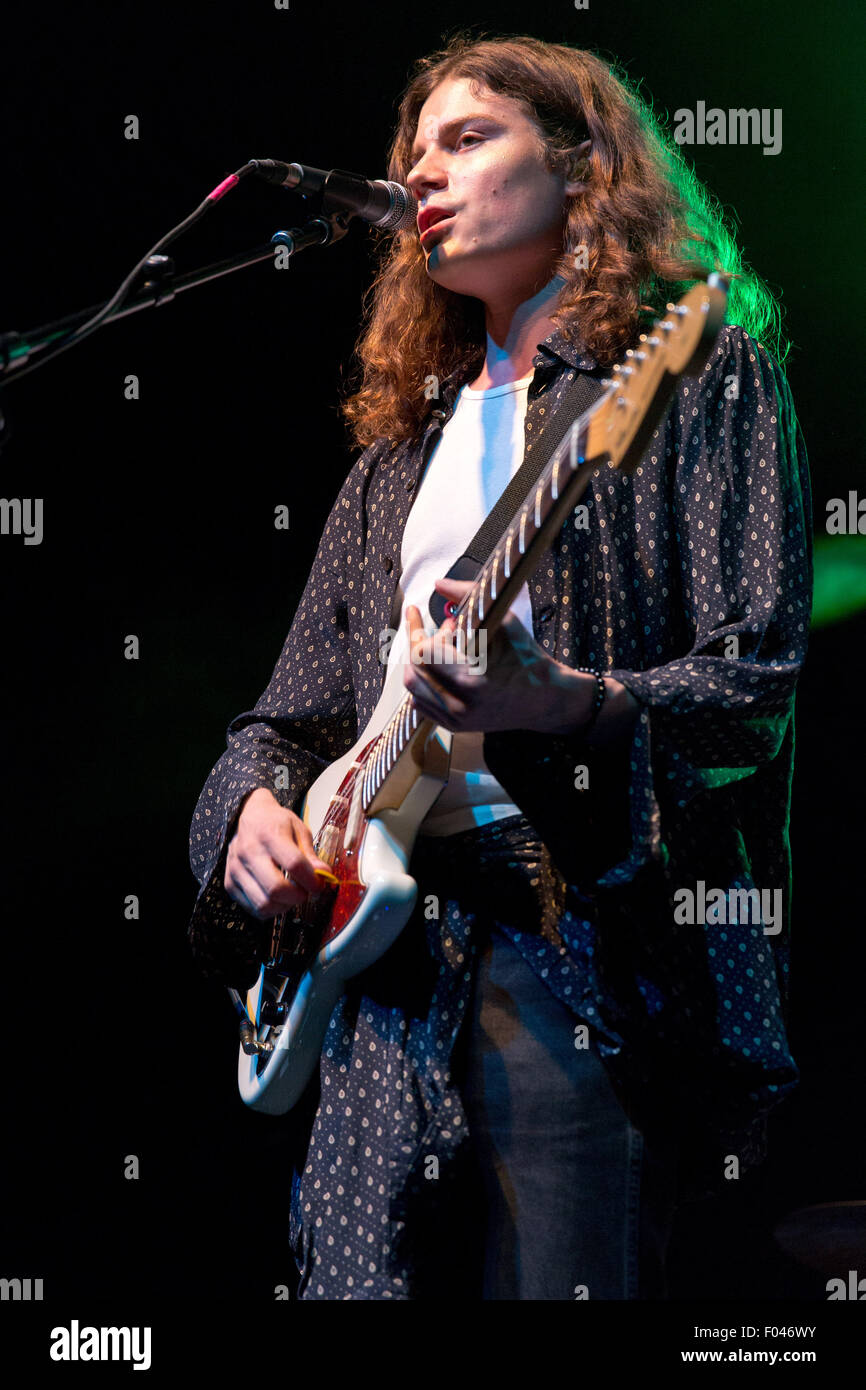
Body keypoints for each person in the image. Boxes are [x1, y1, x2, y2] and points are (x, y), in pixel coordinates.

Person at [187, 33, 812, 1300]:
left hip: (572, 948)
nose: (422, 177)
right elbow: (287, 718)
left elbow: (754, 680)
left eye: (469, 141)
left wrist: (567, 705)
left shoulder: (691, 375)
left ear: (583, 170)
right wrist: (245, 814)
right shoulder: (392, 464)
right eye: (412, 157)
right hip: (379, 987)